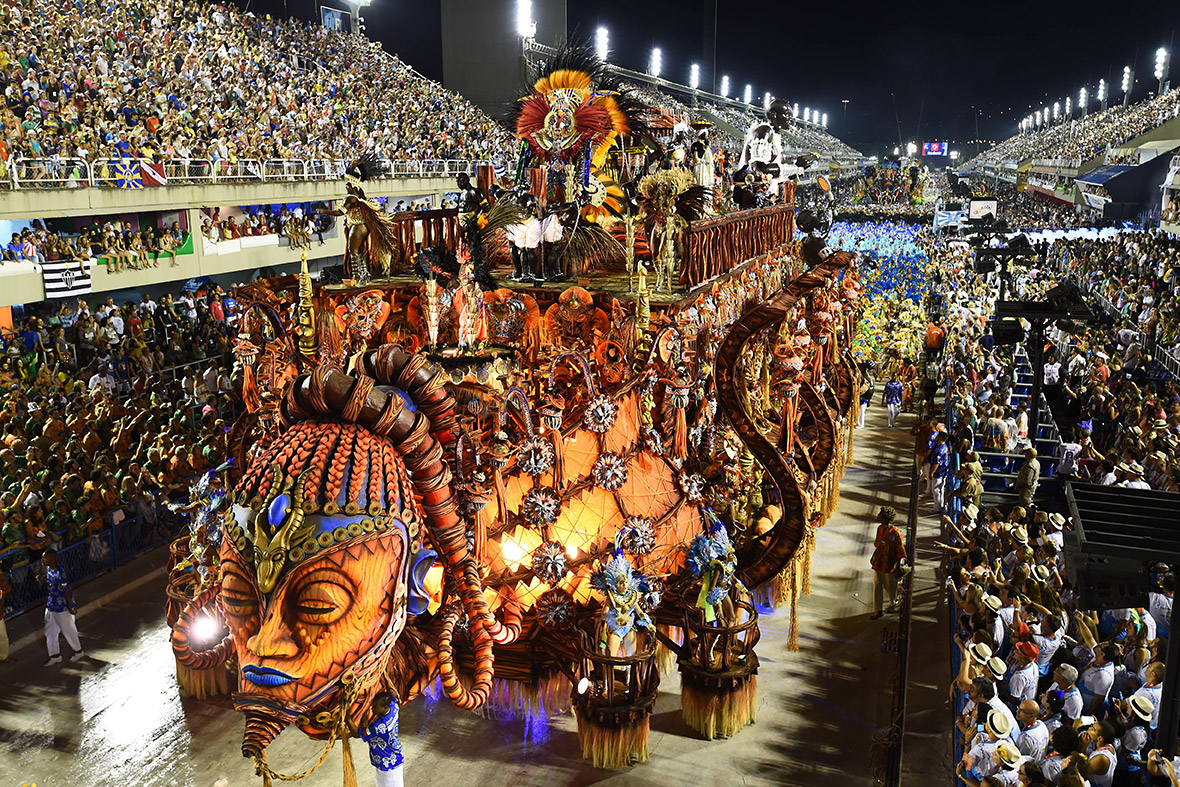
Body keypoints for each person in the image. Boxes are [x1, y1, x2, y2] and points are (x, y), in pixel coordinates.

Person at [42, 547, 84, 665]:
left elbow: (66, 591)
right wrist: (42, 579)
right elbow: (51, 582)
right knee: (50, 631)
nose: (43, 561)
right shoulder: (49, 569)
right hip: (51, 605)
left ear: (52, 558)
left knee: (68, 629)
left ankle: (79, 651)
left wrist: (70, 607)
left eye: (45, 558)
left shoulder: (61, 574)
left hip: (62, 607)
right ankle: (55, 655)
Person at [357, 691, 404, 787]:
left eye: (375, 707)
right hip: (391, 757)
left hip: (389, 764)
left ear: (385, 708)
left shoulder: (379, 726)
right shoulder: (394, 706)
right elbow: (393, 693)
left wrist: (348, 718)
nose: (372, 709)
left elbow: (356, 734)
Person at [870, 506, 907, 619]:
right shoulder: (880, 529)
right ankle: (878, 610)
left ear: (885, 518)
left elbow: (900, 551)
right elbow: (877, 544)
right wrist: (875, 554)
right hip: (879, 562)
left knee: (890, 587)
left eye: (881, 514)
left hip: (889, 564)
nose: (878, 516)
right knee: (877, 585)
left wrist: (898, 566)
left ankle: (892, 604)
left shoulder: (895, 533)